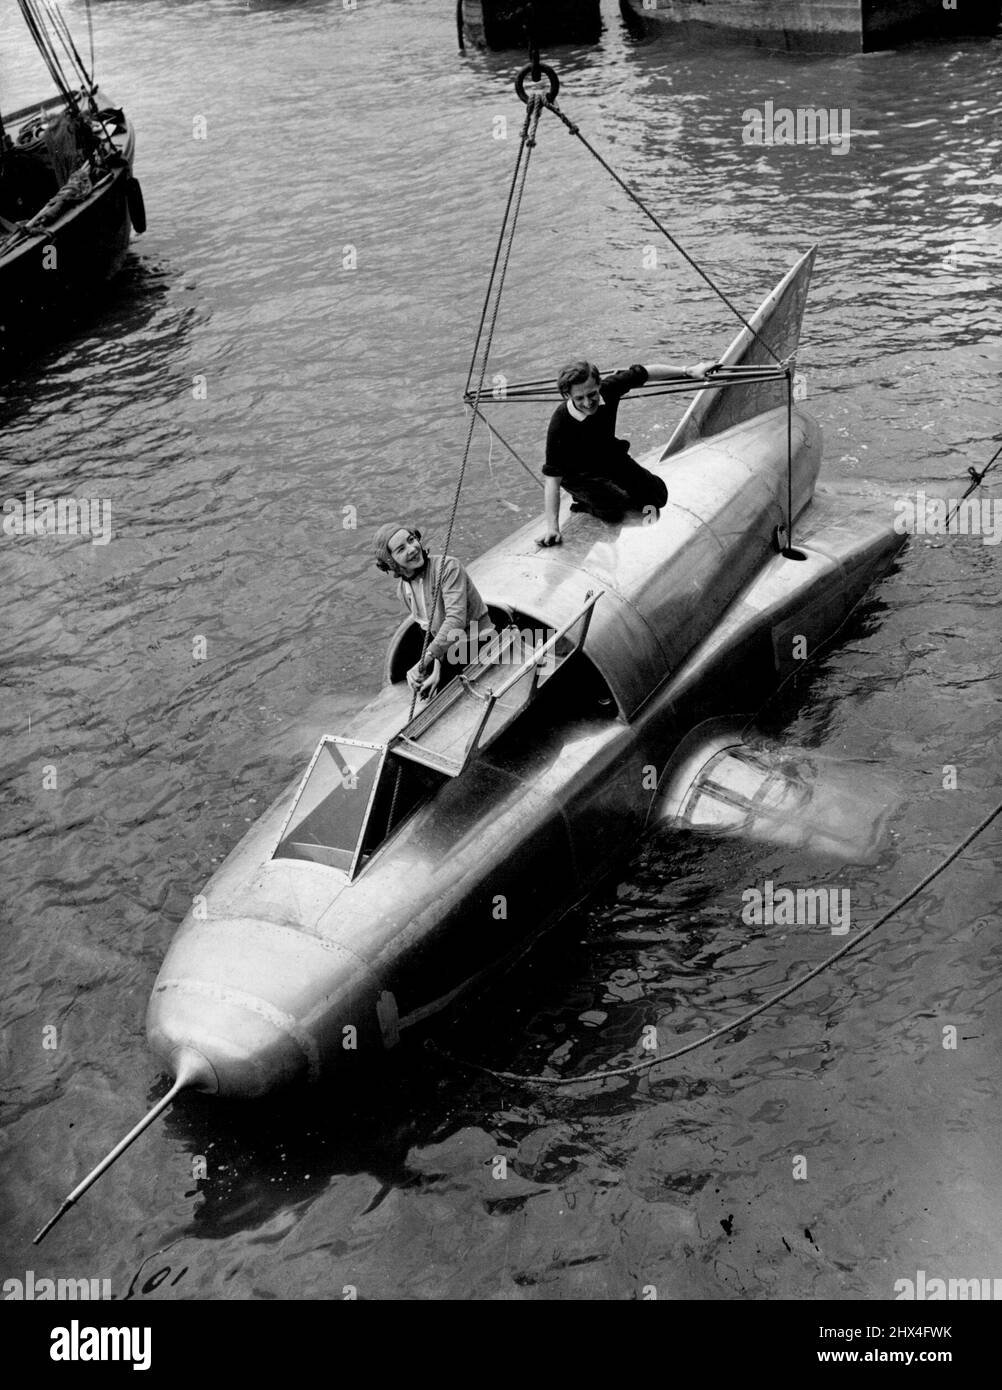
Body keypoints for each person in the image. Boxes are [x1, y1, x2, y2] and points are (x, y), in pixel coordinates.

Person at [539, 358, 718, 545]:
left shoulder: (609, 388)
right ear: (568, 396)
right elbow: (552, 479)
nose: (587, 402)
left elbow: (644, 373)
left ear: (599, 384)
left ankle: (609, 493)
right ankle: (582, 503)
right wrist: (552, 528)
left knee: (657, 496)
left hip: (608, 456)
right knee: (616, 508)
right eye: (579, 398)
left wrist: (688, 371)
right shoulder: (560, 422)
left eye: (592, 394)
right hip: (579, 474)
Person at [373, 523, 495, 699]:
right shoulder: (403, 591)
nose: (412, 549)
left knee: (445, 693)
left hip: (478, 641)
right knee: (426, 691)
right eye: (401, 549)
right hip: (449, 650)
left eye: (411, 540)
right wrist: (436, 669)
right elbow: (431, 630)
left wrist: (425, 662)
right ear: (391, 563)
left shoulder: (448, 567)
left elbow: (455, 621)